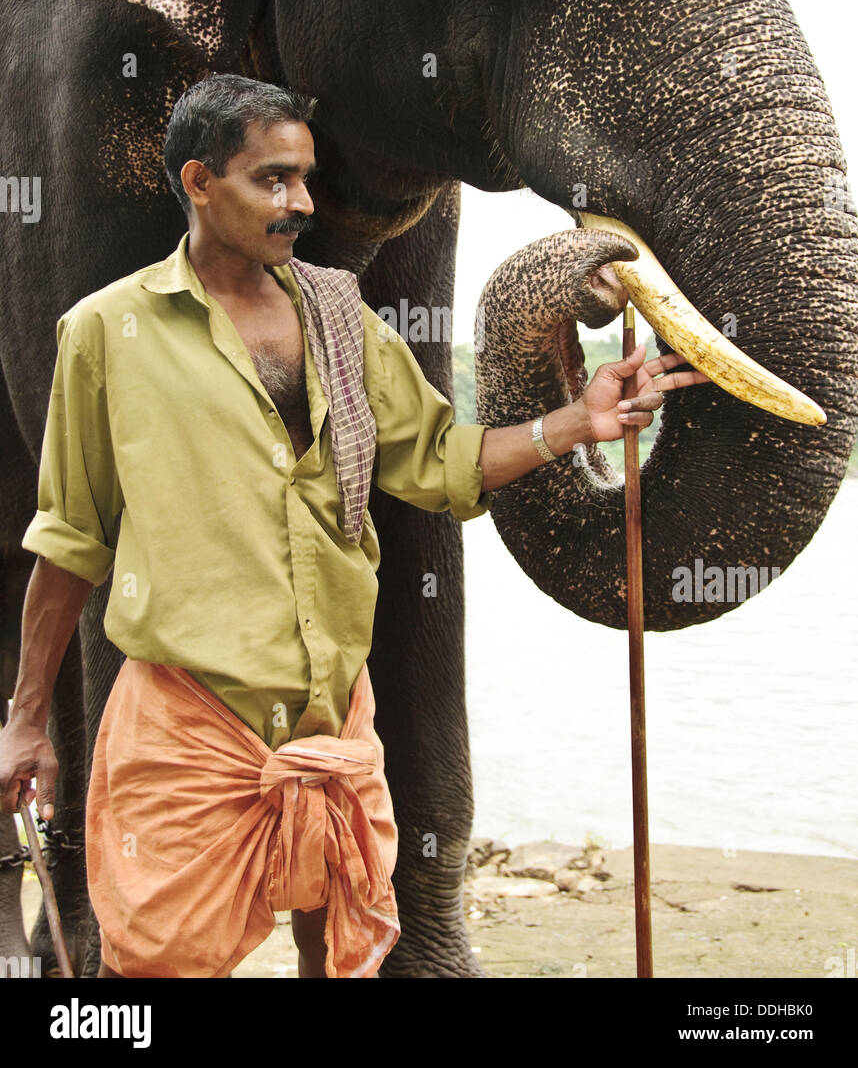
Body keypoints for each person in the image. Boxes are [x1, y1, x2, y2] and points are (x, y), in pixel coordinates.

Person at [0, 75, 709, 978]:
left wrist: (577, 422)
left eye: (304, 178)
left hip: (337, 718)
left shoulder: (340, 319)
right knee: (154, 970)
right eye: (272, 180)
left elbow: (443, 465)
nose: (300, 202)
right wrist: (26, 724)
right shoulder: (108, 332)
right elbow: (68, 543)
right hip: (187, 729)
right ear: (198, 181)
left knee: (346, 955)